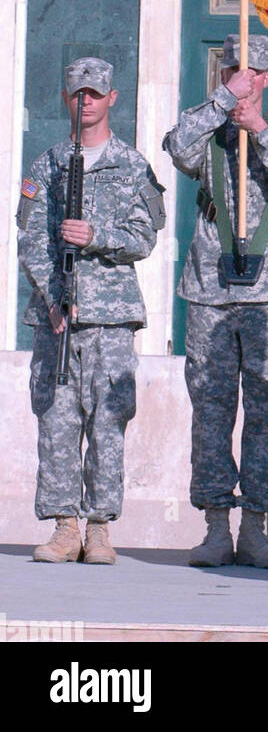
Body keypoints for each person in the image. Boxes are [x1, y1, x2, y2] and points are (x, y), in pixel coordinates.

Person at [163, 33, 268, 569]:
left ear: (267, 77)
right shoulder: (204, 129)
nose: (242, 78)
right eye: (232, 70)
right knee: (210, 408)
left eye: (251, 70)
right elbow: (176, 146)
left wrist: (262, 133)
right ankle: (214, 526)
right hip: (211, 285)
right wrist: (225, 105)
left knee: (267, 409)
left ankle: (256, 525)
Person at [19, 57, 166, 564]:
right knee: (57, 420)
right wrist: (53, 294)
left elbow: (145, 237)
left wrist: (97, 237)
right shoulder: (47, 165)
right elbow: (31, 238)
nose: (86, 102)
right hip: (58, 316)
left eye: (95, 94)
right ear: (67, 98)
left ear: (112, 99)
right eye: (78, 93)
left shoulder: (132, 166)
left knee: (108, 420)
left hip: (111, 313)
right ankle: (64, 526)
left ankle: (100, 526)